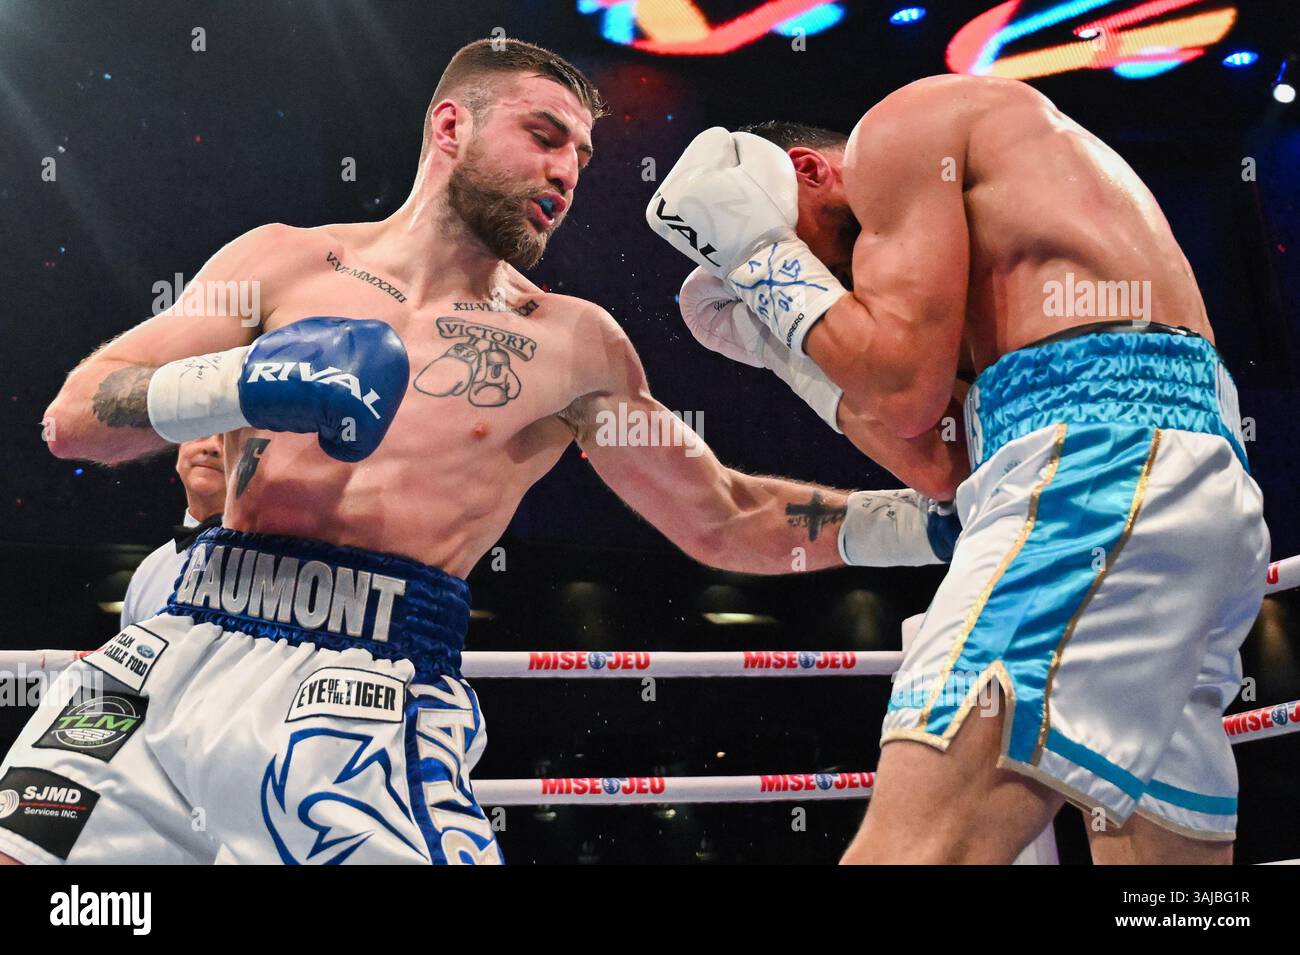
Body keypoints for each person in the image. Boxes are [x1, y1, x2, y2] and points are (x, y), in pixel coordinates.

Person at [0, 39, 955, 866]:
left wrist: (930, 523)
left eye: (581, 154)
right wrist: (242, 384)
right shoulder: (279, 260)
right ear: (451, 127)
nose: (569, 172)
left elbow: (726, 517)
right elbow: (76, 417)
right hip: (170, 652)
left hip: (367, 684)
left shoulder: (574, 343)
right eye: (544, 137)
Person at [647, 74, 1270, 863]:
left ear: (807, 170)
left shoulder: (903, 127)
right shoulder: (997, 262)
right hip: (1177, 498)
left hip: (1096, 476)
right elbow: (941, 463)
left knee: (914, 849)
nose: (830, 290)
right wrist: (784, 347)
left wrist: (758, 258)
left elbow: (900, 389)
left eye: (798, 247)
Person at [120, 435, 226, 629]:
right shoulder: (149, 571)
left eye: (229, 439)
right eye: (201, 430)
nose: (211, 447)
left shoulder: (279, 563)